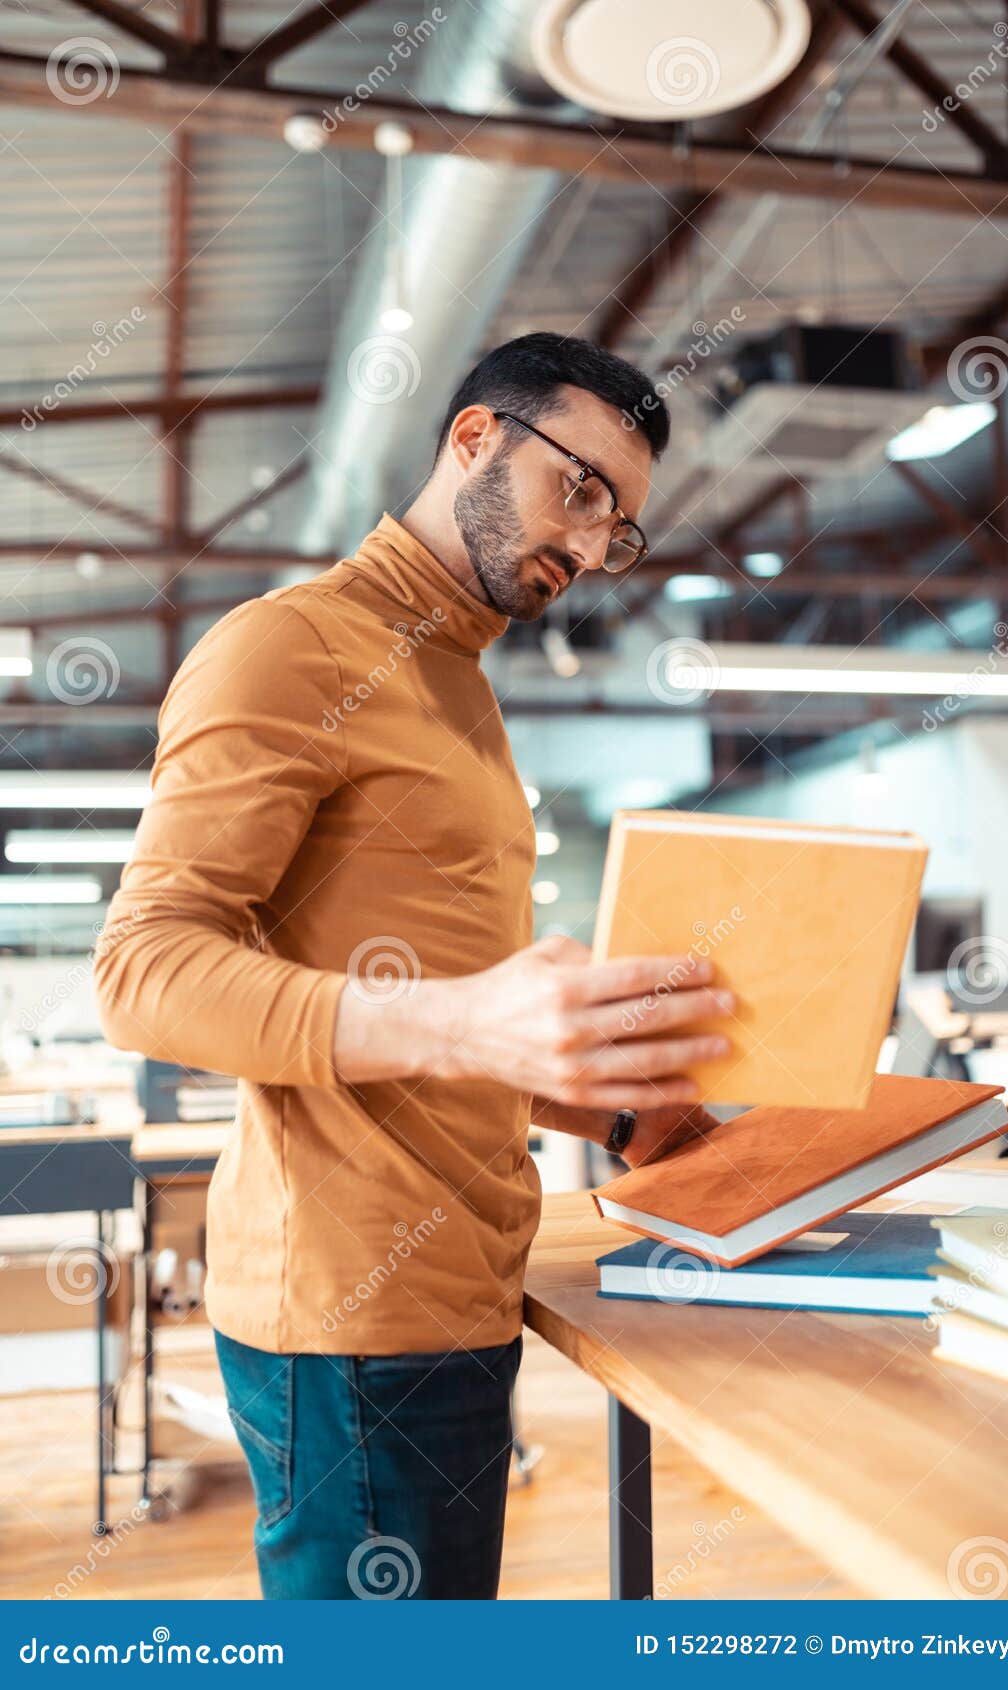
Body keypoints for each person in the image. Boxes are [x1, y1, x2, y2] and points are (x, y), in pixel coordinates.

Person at [93, 333, 734, 1599]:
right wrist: (468, 1026)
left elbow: (450, 1018)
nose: (596, 545)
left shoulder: (457, 683)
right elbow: (143, 970)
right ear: (474, 439)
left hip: (453, 1293)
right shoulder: (290, 649)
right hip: (352, 1324)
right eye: (583, 489)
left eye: (623, 528)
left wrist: (611, 1103)